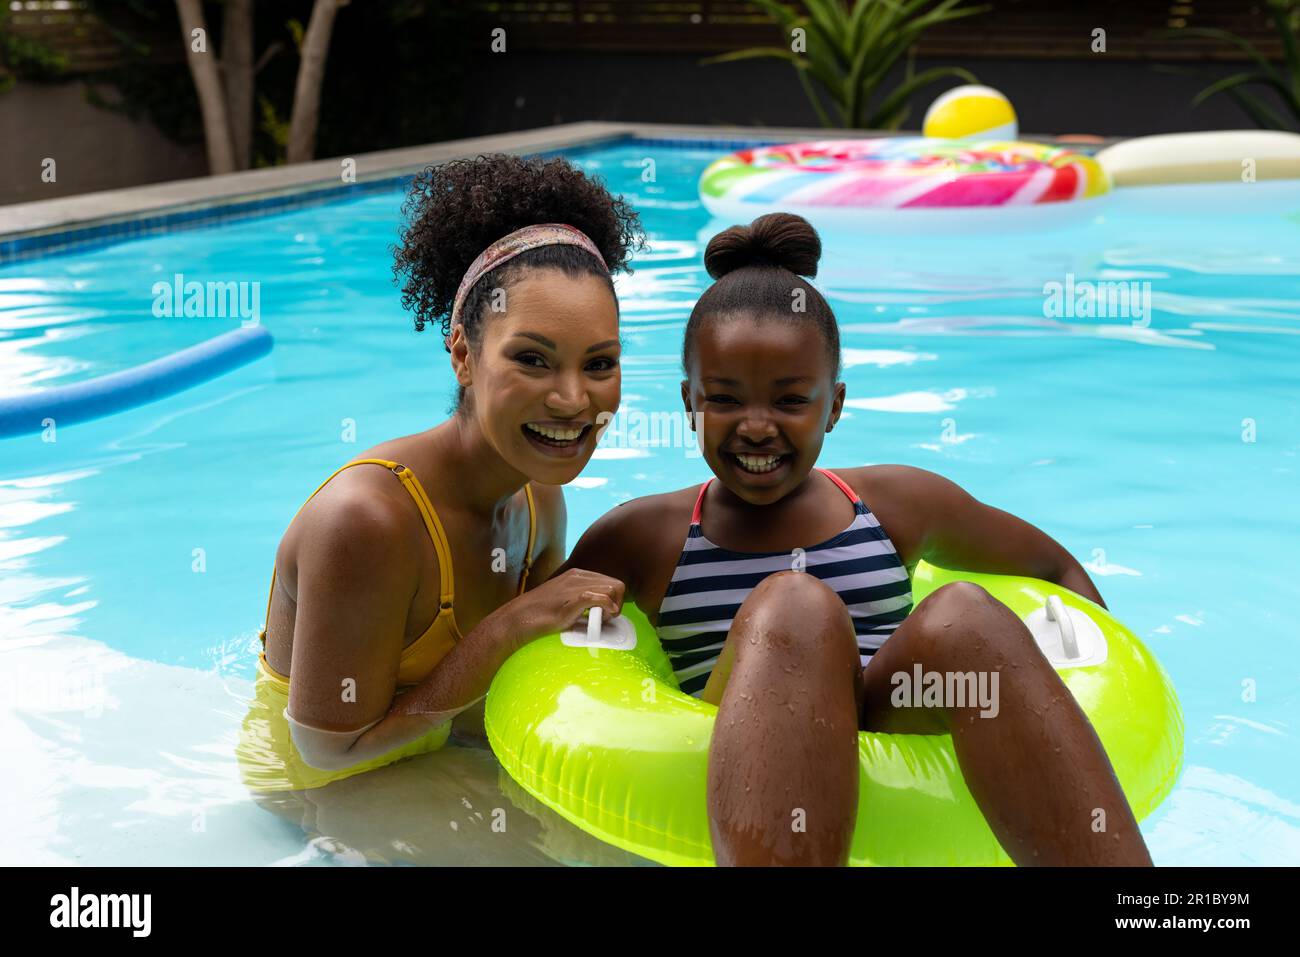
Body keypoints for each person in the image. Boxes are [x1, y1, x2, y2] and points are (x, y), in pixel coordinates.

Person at [558, 212, 1154, 867]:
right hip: (737, 736)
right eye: (725, 400)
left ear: (834, 405)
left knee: (964, 614)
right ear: (689, 403)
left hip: (885, 708)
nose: (756, 427)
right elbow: (549, 646)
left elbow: (1053, 566)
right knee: (797, 607)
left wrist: (1097, 688)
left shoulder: (897, 503)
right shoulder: (642, 536)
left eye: (790, 402)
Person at [238, 154, 643, 793]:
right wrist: (507, 627)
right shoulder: (369, 523)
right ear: (462, 353)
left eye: (599, 365)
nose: (572, 399)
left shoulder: (539, 499)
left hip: (439, 767)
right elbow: (326, 754)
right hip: (325, 807)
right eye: (532, 360)